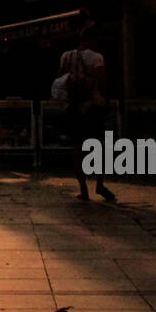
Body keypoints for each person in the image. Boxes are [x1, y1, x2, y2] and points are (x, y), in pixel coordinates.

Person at [59, 23, 114, 202]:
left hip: (73, 106)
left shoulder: (66, 56)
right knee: (97, 145)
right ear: (93, 40)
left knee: (77, 148)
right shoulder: (97, 57)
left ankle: (83, 189)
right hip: (92, 107)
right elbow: (103, 80)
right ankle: (99, 183)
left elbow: (61, 79)